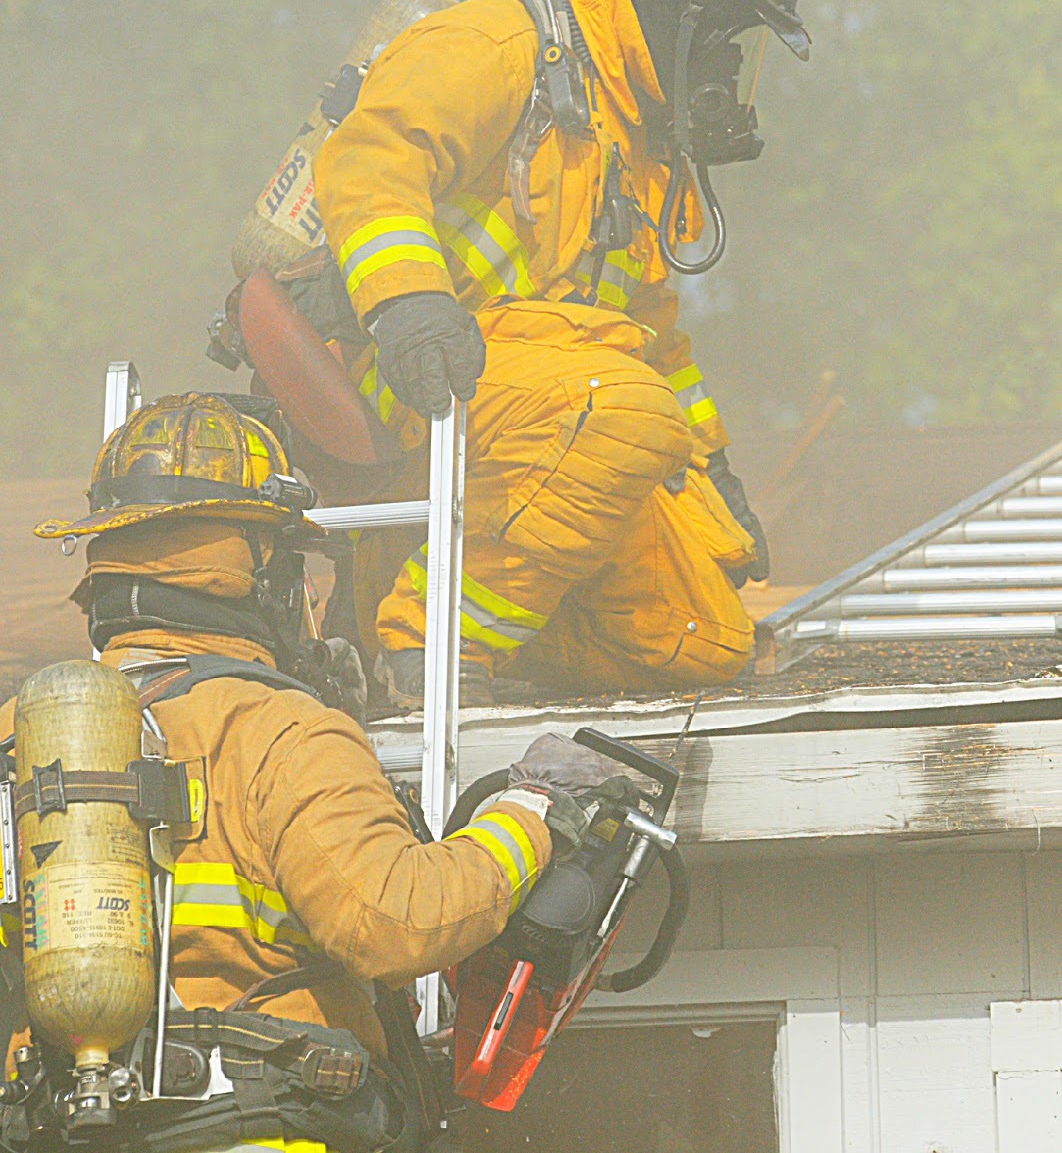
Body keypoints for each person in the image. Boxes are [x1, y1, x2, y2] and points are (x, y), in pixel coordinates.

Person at [16, 393, 625, 1153]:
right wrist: (531, 817)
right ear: (262, 566)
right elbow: (395, 921)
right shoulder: (282, 731)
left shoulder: (20, 738)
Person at [311, 0, 842, 707]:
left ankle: (415, 608)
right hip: (416, 366)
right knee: (624, 413)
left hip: (552, 408)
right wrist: (408, 303)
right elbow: (370, 160)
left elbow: (647, 331)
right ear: (679, 2)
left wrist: (710, 464)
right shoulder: (499, 41)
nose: (728, 66)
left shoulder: (626, 119)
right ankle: (429, 640)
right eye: (728, 34)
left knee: (701, 638)